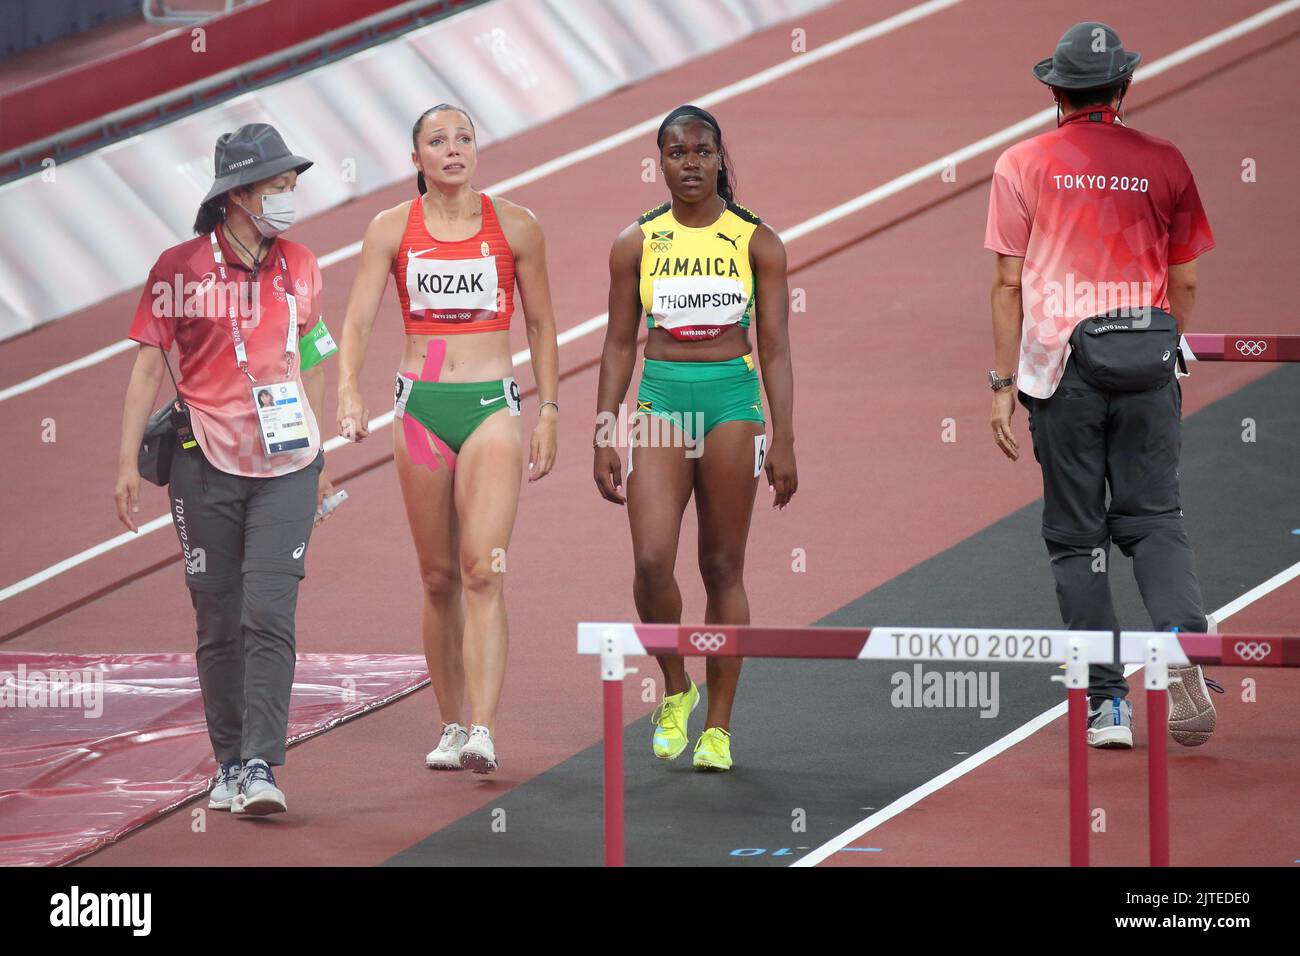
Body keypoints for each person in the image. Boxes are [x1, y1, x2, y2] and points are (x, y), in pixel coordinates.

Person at [985, 22, 1221, 749]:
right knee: (1155, 519)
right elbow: (1185, 280)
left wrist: (1001, 384)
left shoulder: (1020, 164)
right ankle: (1181, 643)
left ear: (1056, 92)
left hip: (1061, 375)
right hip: (1146, 365)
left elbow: (1006, 283)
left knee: (1076, 537)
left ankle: (1108, 706)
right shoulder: (1166, 162)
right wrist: (1162, 348)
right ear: (1123, 88)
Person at [115, 123, 338, 815]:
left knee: (268, 610)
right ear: (238, 194)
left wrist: (321, 448)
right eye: (278, 186)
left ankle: (263, 766)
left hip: (289, 465)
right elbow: (148, 365)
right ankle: (230, 762)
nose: (290, 196)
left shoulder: (302, 264)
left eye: (292, 184)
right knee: (218, 619)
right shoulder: (178, 269)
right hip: (203, 464)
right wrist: (125, 462)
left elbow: (314, 353)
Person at [336, 104, 560, 774]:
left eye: (464, 138)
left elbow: (542, 325)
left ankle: (484, 729)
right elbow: (356, 322)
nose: (453, 149)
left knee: (482, 570)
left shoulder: (516, 225)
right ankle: (451, 724)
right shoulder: (389, 229)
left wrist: (549, 410)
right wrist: (348, 390)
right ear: (417, 158)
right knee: (437, 579)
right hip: (420, 412)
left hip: (490, 407)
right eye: (438, 141)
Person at [594, 105, 797, 772]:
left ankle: (719, 727)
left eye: (701, 151)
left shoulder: (757, 241)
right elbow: (618, 342)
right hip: (660, 399)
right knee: (653, 559)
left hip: (732, 401)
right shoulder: (636, 242)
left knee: (721, 566)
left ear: (718, 159)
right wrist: (605, 431)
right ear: (659, 162)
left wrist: (786, 438)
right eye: (676, 152)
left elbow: (775, 347)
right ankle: (676, 686)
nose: (689, 163)